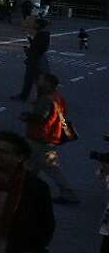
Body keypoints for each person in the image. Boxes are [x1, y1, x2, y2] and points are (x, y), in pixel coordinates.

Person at [20, 72, 82, 204]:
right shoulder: (58, 97)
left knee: (48, 166)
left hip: (41, 137)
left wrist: (26, 117)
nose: (37, 82)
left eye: (41, 80)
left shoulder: (45, 99)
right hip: (51, 136)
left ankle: (68, 193)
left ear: (48, 84)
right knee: (34, 165)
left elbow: (40, 117)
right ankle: (24, 187)